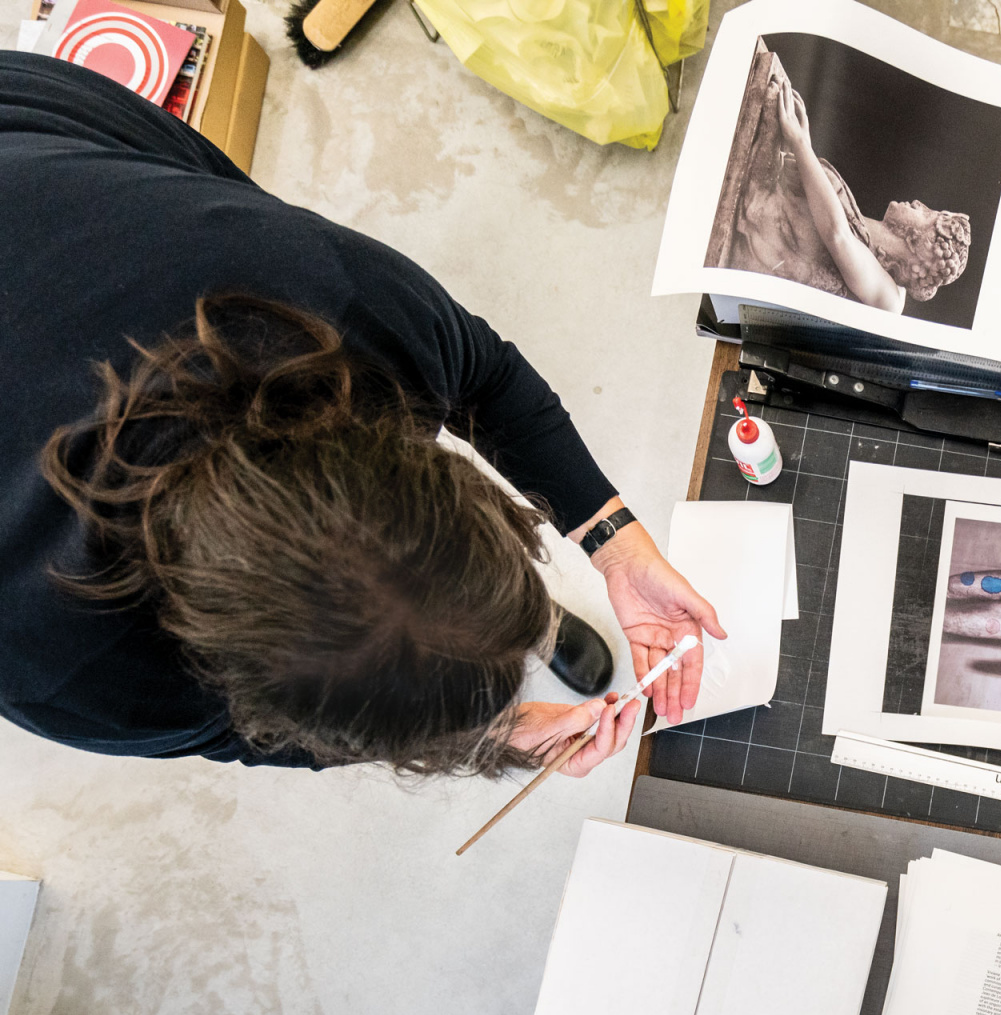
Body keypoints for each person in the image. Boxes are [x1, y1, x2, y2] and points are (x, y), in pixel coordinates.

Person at [1, 52, 722, 776]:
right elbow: (250, 734)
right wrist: (487, 737)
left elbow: (482, 375)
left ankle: (479, 633)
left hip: (35, 155)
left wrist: (615, 544)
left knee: (431, 618)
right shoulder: (67, 673)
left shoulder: (319, 295)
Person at [772, 79, 971, 313]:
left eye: (927, 213)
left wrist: (800, 142)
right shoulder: (860, 227)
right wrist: (801, 144)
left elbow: (838, 236)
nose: (919, 204)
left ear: (920, 244)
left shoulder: (891, 299)